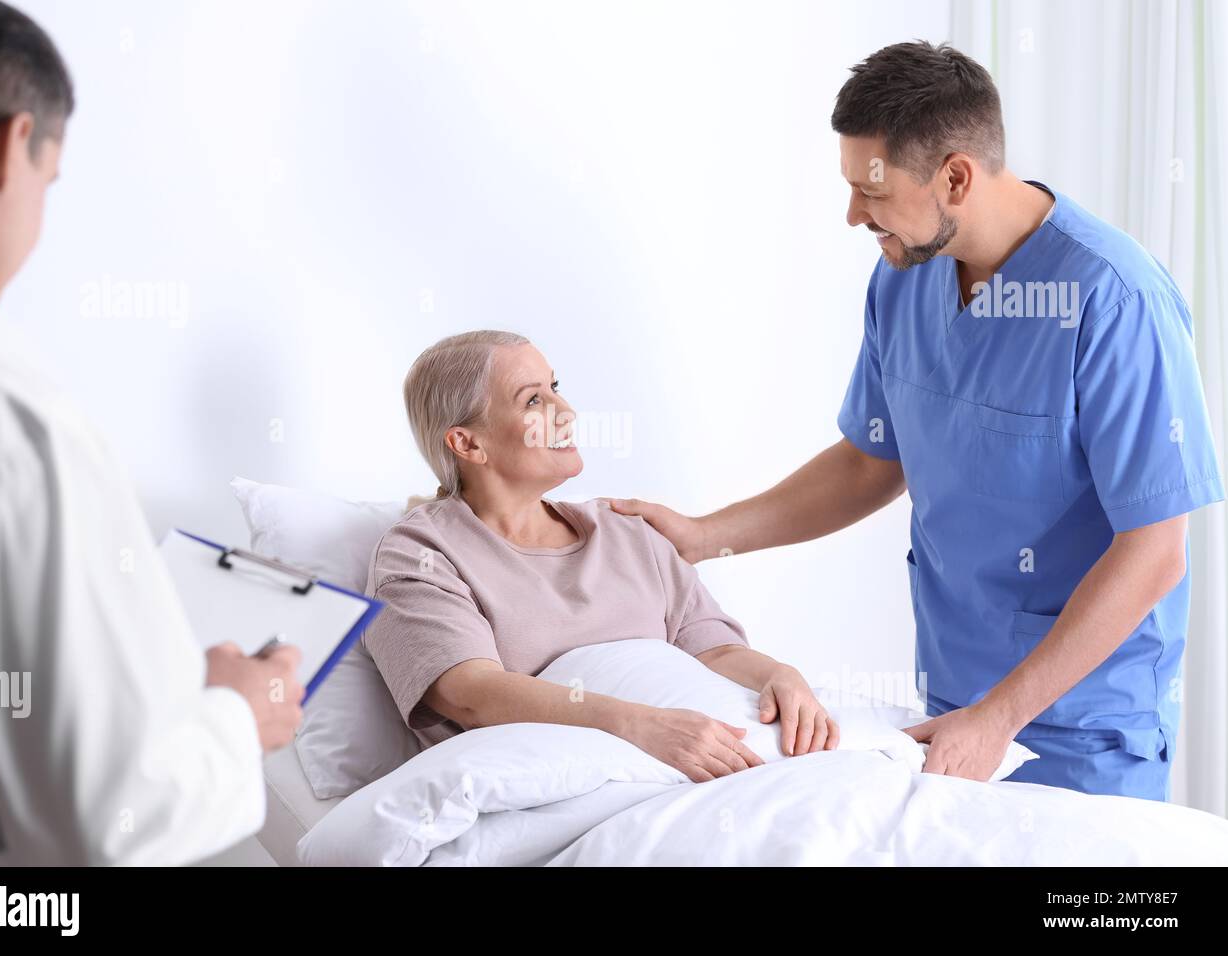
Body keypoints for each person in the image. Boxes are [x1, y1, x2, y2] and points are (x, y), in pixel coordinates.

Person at [610, 41, 1224, 802]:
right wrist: (703, 537)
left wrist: (1000, 717)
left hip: (1086, 726)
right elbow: (873, 460)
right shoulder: (903, 276)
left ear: (955, 177)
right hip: (949, 706)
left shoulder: (1115, 298)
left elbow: (1156, 549)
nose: (851, 215)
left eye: (871, 190)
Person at [0, 0, 303, 865]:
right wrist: (238, 717)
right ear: (6, 148)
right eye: (50, 184)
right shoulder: (9, 426)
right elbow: (103, 824)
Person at [359, 330, 840, 783]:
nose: (564, 412)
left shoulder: (625, 530)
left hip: (702, 776)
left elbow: (713, 650)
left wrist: (779, 674)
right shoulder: (420, 554)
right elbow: (470, 693)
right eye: (533, 400)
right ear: (467, 443)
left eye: (555, 388)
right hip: (556, 792)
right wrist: (636, 727)